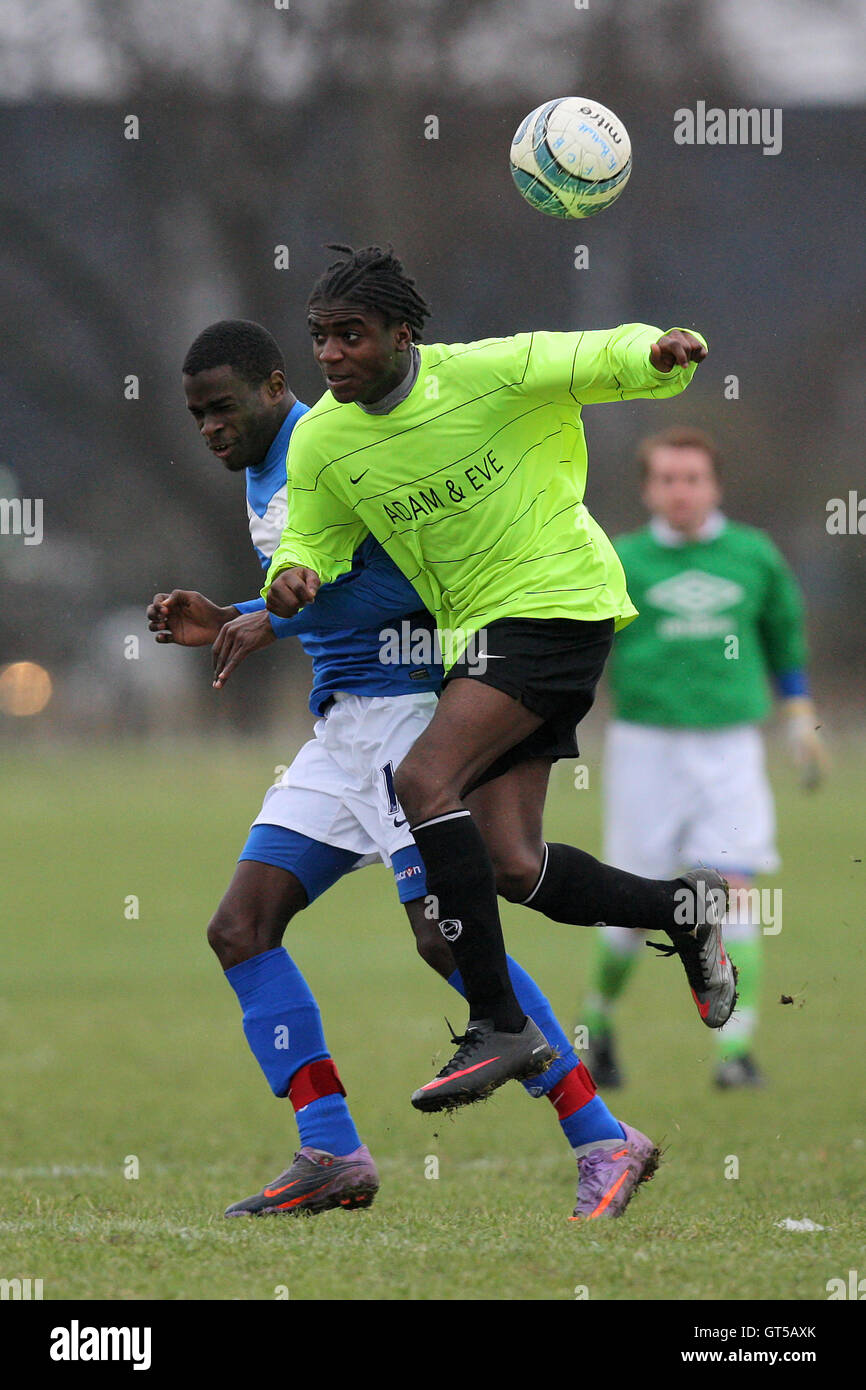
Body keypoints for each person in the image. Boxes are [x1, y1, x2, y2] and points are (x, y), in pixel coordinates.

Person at [149, 319, 645, 1223]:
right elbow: (315, 590)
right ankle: (330, 1147)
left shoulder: (330, 442)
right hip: (341, 734)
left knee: (446, 938)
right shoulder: (266, 468)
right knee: (240, 927)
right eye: (196, 416)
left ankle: (604, 1138)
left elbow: (410, 582)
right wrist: (237, 611)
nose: (210, 428)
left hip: (413, 715)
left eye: (222, 408)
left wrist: (268, 616)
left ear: (273, 386)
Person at [263, 244, 734, 1163]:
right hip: (475, 638)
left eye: (351, 336)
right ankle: (686, 909)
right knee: (516, 865)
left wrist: (662, 351)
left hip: (559, 601)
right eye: (321, 338)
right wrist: (291, 577)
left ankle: (498, 1021)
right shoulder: (323, 438)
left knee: (423, 778)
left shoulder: (485, 373)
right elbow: (309, 537)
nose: (331, 355)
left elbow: (594, 357)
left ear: (405, 335)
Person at [583, 425, 826, 1088]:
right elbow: (582, 645)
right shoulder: (621, 559)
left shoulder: (752, 554)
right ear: (647, 489)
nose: (681, 491)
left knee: (733, 891)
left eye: (692, 478)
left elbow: (783, 636)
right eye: (667, 479)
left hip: (729, 749)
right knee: (634, 906)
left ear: (713, 484)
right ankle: (598, 1026)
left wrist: (799, 712)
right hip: (643, 750)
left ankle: (734, 1056)